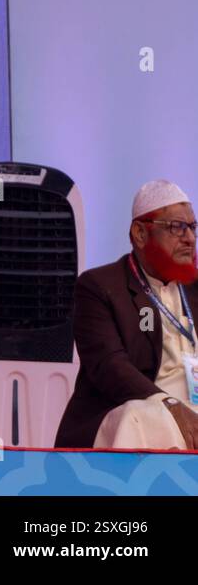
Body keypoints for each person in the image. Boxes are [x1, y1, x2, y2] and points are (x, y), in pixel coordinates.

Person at [56, 180, 198, 450]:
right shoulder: (101, 286)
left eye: (193, 227)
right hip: (138, 406)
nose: (189, 238)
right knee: (142, 417)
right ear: (140, 233)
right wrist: (170, 405)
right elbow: (109, 367)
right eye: (177, 227)